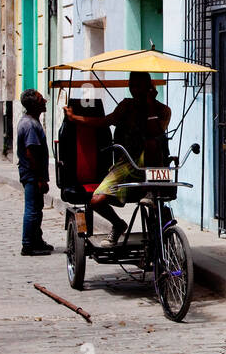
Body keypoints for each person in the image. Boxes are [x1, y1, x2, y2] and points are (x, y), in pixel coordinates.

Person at [63, 72, 172, 244]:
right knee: (96, 201)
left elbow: (155, 133)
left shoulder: (163, 110)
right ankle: (118, 224)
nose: (135, 89)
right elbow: (103, 122)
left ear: (149, 86)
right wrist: (75, 118)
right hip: (126, 164)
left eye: (139, 85)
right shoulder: (126, 106)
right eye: (132, 85)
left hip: (153, 166)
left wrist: (150, 106)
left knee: (151, 143)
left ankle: (152, 194)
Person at [16, 89, 53, 256]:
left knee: (37, 208)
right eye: (40, 99)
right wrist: (40, 179)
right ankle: (28, 245)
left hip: (31, 174)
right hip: (31, 174)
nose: (44, 101)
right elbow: (31, 153)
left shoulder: (30, 121)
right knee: (32, 209)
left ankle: (37, 240)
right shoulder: (30, 125)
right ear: (33, 105)